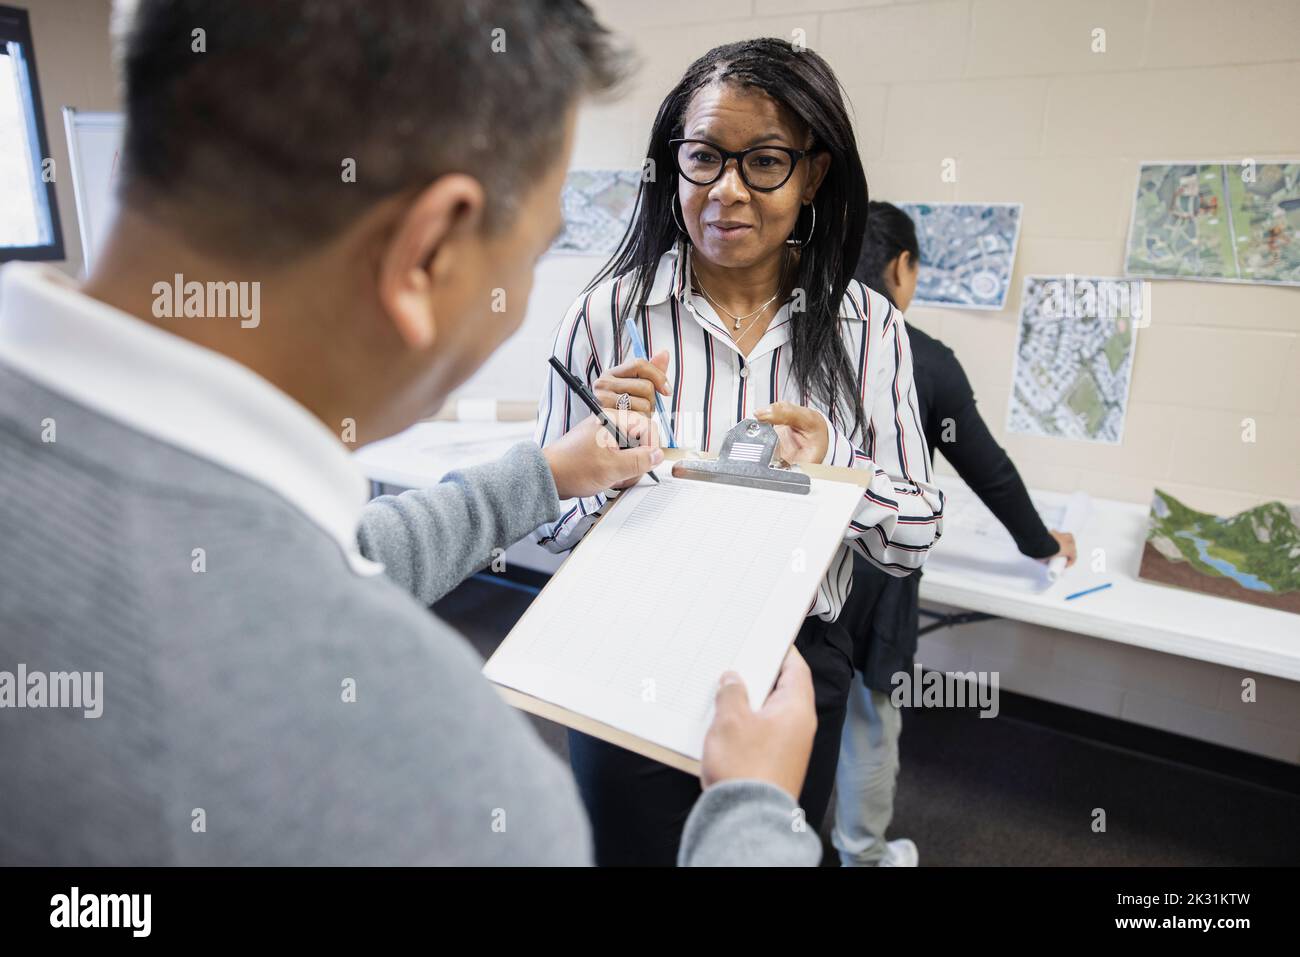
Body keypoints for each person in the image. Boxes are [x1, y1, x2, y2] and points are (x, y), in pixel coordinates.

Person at [0, 0, 823, 866]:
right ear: (429, 254)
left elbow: (331, 559)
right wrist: (752, 812)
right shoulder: (456, 791)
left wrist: (540, 474)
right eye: (534, 252)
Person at [536, 40, 945, 866]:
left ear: (813, 175)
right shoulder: (605, 318)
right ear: (673, 165)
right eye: (703, 159)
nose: (727, 190)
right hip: (626, 650)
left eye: (763, 162)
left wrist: (834, 478)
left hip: (792, 665)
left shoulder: (869, 330)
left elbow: (914, 535)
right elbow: (544, 521)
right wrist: (599, 470)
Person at [831, 201, 1078, 867]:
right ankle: (863, 852)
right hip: (881, 566)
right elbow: (989, 470)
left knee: (791, 694)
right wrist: (1044, 544)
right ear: (901, 268)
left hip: (804, 558)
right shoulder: (925, 359)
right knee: (870, 712)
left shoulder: (798, 337)